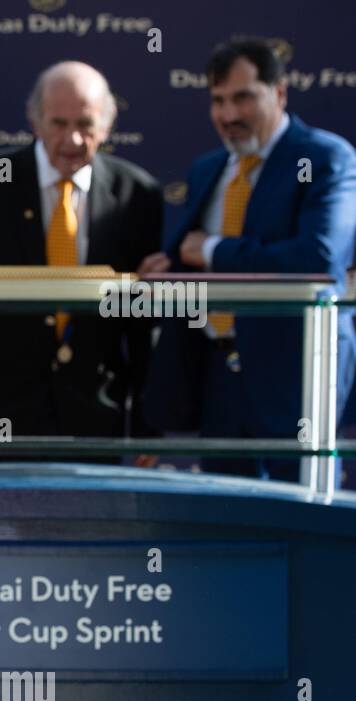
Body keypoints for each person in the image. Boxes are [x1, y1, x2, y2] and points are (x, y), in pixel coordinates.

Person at [0, 61, 163, 464]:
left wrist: (150, 423)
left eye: (86, 124)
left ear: (108, 126)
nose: (72, 138)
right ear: (35, 120)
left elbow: (142, 323)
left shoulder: (138, 194)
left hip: (93, 422)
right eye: (58, 123)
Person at [140, 38, 356, 482]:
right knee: (228, 522)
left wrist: (214, 250)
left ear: (279, 93)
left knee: (304, 519)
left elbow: (318, 261)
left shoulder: (325, 158)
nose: (228, 115)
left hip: (297, 374)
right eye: (218, 100)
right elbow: (190, 258)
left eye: (242, 97)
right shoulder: (208, 168)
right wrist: (167, 273)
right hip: (218, 377)